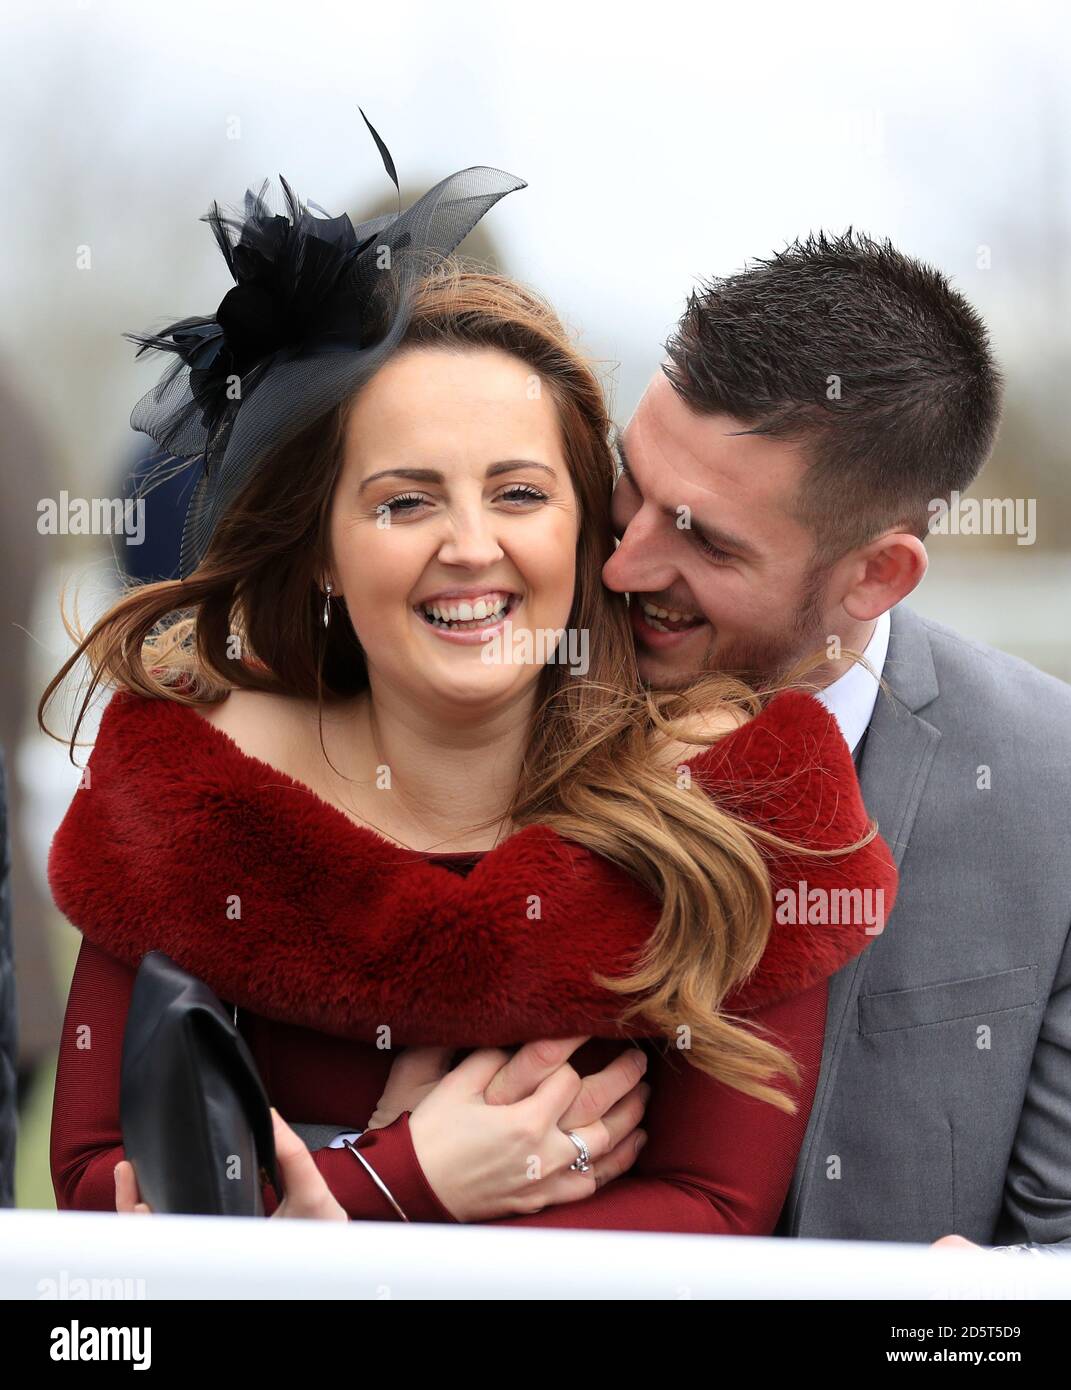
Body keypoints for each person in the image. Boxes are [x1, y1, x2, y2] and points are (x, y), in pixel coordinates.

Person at [43, 133, 895, 1231]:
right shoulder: (188, 775)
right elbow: (99, 1195)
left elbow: (714, 1212)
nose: (468, 545)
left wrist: (342, 1211)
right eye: (405, 502)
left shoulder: (739, 796)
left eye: (519, 494)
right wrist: (407, 1177)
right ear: (321, 551)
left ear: (593, 526)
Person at [603, 231, 1071, 1252]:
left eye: (706, 538)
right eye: (630, 482)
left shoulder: (1055, 793)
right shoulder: (496, 684)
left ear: (876, 577)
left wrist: (1012, 1303)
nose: (624, 566)